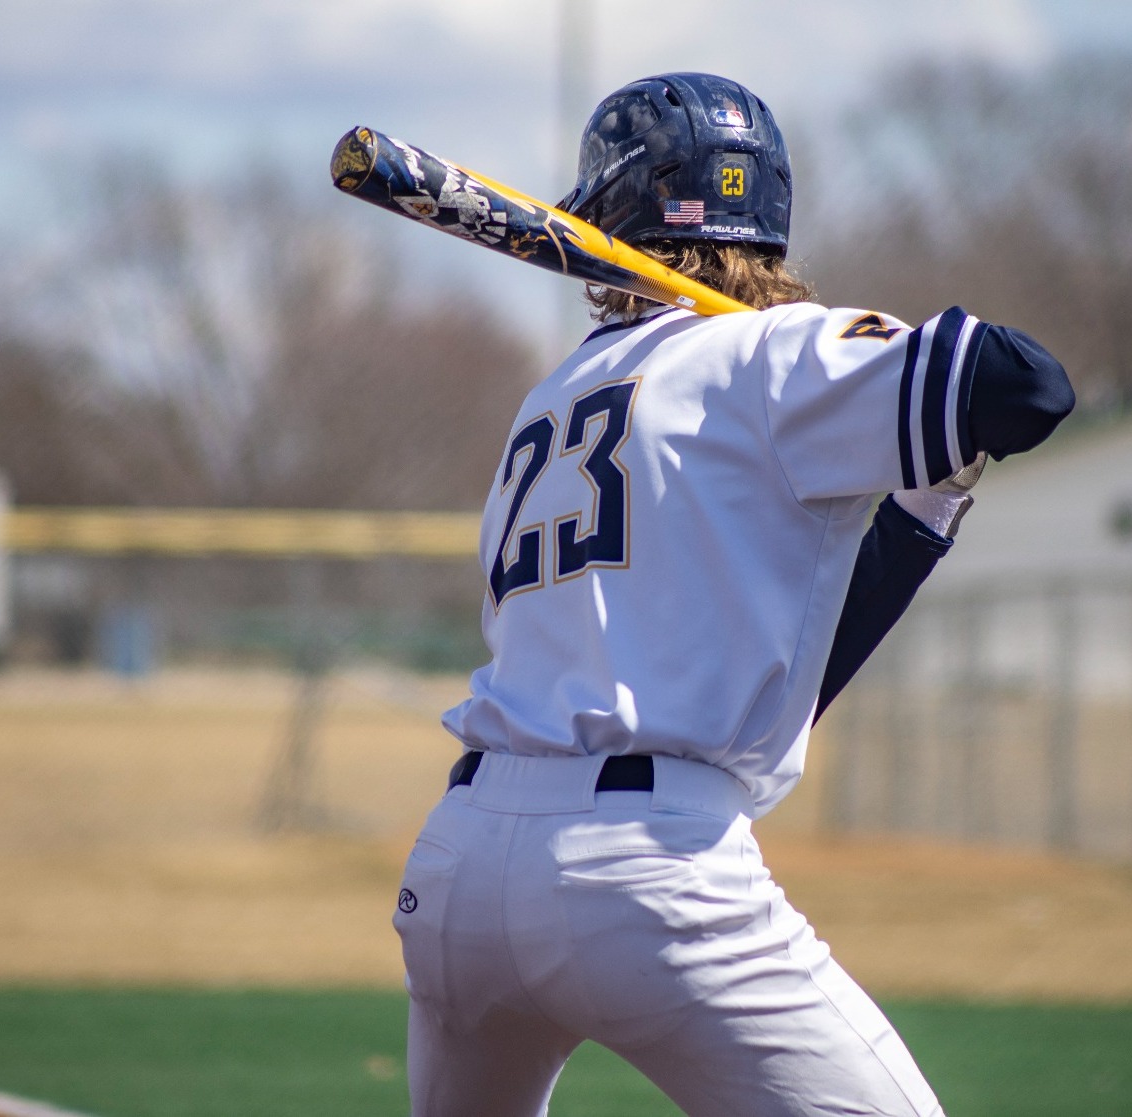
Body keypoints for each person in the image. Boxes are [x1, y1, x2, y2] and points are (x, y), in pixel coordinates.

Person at [394, 71, 1074, 1116]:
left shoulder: (554, 398)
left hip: (463, 866)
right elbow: (1029, 385)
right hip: (645, 866)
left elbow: (790, 666)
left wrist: (930, 507)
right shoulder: (768, 354)